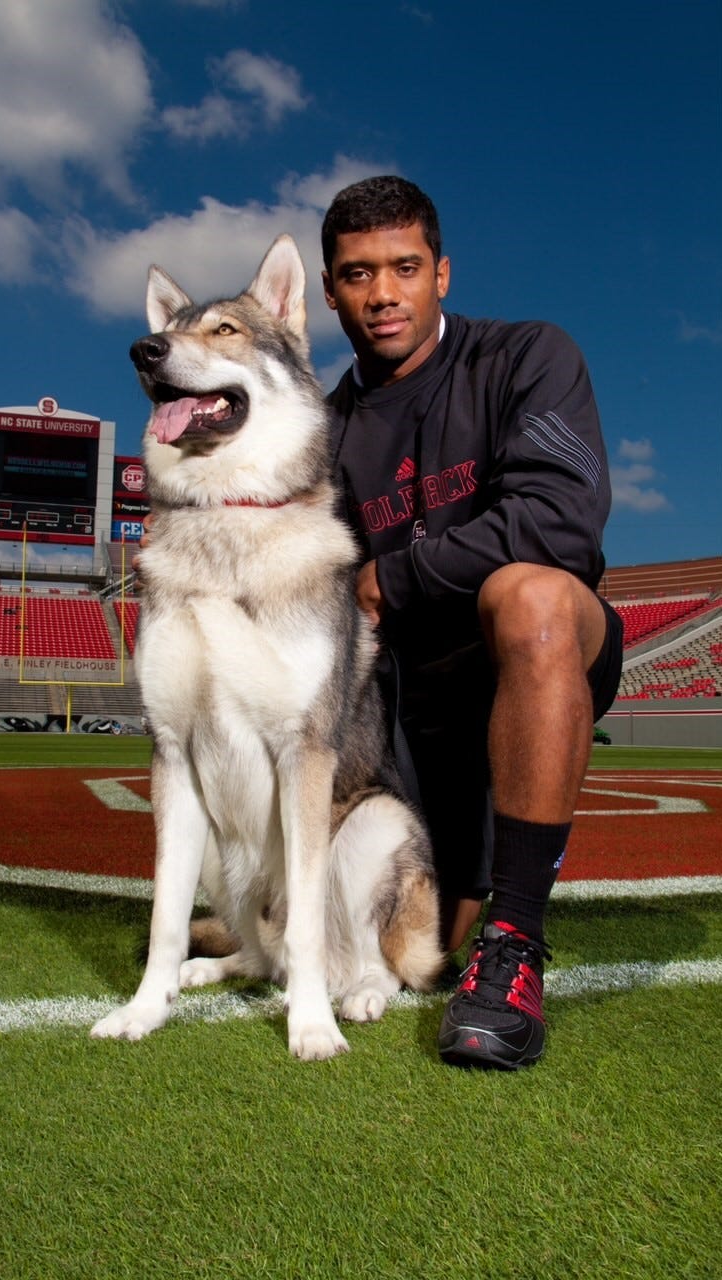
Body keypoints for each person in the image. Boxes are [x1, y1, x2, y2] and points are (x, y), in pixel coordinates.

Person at [320, 175, 622, 1069]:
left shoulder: (525, 356)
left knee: (527, 594)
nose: (383, 294)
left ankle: (517, 943)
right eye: (358, 274)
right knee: (412, 954)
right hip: (413, 694)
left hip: (531, 648)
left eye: (404, 267)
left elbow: (563, 520)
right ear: (332, 289)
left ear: (442, 274)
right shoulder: (326, 429)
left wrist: (397, 575)